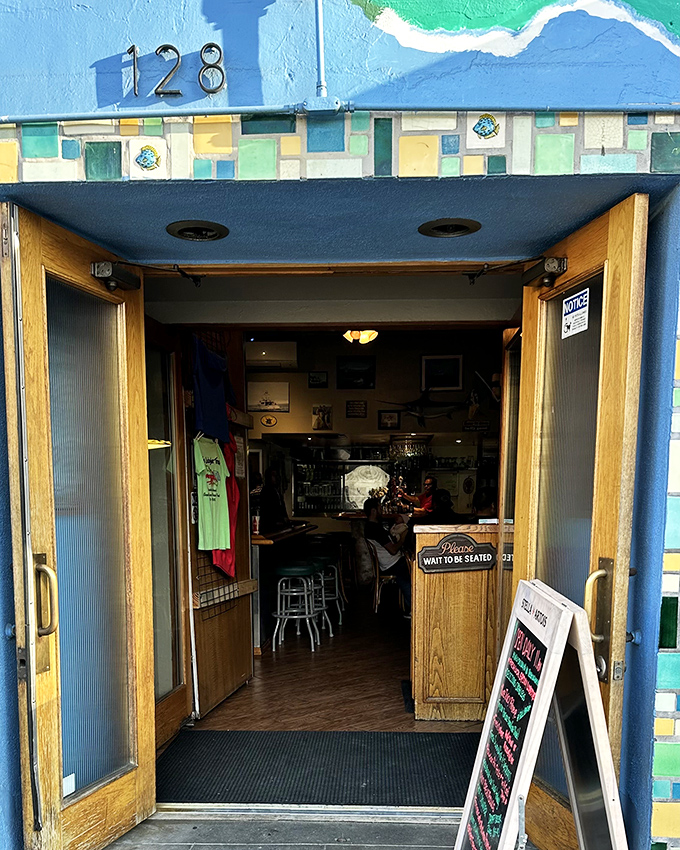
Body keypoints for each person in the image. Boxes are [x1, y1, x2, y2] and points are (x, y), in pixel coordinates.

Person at [363, 497, 411, 611]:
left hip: (387, 563)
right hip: (391, 564)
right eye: (380, 508)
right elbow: (393, 550)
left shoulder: (369, 527)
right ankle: (411, 607)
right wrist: (402, 538)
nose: (382, 511)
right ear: (373, 511)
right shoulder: (376, 529)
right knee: (412, 570)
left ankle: (409, 605)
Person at [259, 466, 290, 532]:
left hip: (279, 524)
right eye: (273, 475)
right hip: (270, 526)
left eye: (277, 475)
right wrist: (276, 521)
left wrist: (285, 518)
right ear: (268, 477)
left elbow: (281, 506)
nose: (276, 478)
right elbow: (267, 510)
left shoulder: (277, 491)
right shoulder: (266, 491)